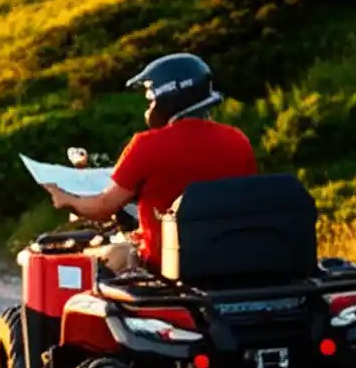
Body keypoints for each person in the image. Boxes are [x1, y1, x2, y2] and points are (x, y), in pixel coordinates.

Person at [43, 52, 258, 275]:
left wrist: (65, 199)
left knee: (100, 255)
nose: (149, 108)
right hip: (229, 261)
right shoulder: (238, 140)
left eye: (151, 100)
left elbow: (102, 208)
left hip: (164, 263)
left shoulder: (146, 145)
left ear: (166, 99)